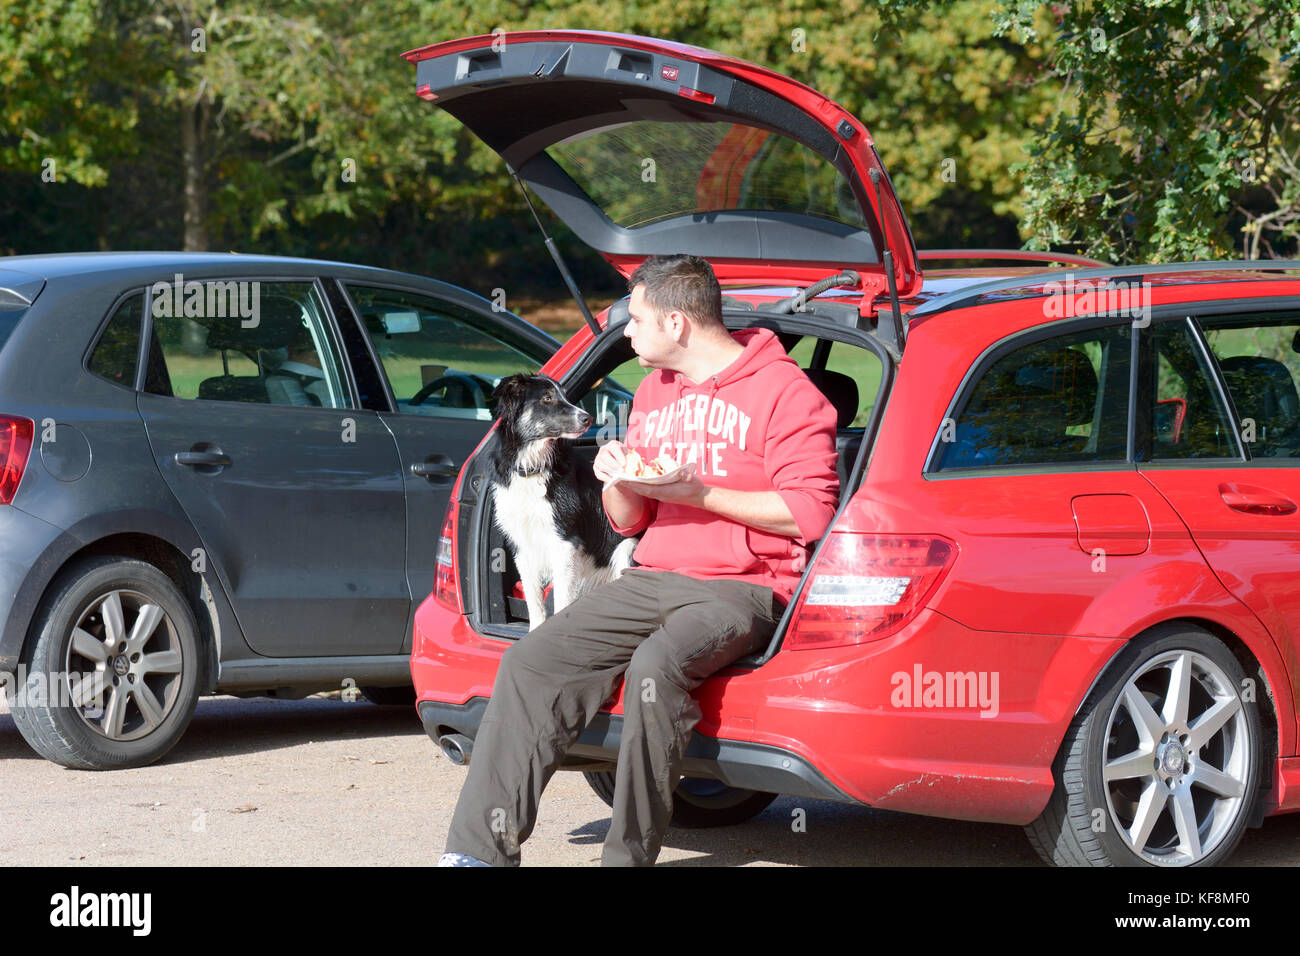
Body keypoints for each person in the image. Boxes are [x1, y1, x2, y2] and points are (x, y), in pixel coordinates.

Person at [439, 253, 840, 866]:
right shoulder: (656, 391)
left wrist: (700, 494)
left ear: (677, 323)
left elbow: (810, 515)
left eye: (636, 319)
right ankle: (475, 855)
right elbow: (629, 522)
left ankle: (625, 857)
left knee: (656, 668)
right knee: (530, 661)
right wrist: (619, 480)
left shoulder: (787, 394)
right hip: (652, 576)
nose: (625, 333)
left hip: (745, 587)